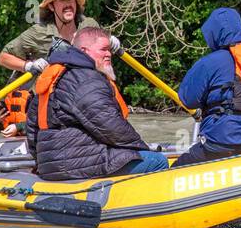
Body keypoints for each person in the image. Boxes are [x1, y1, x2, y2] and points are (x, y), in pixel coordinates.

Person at [25, 26, 167, 180]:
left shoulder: (55, 75)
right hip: (78, 163)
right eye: (103, 49)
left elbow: (32, 127)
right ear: (85, 51)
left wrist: (40, 162)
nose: (109, 54)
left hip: (51, 166)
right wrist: (143, 148)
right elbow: (110, 125)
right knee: (157, 161)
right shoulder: (86, 79)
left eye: (109, 50)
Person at [0, 0, 115, 137]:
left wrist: (111, 43)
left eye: (71, 0)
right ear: (51, 6)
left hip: (84, 95)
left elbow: (103, 54)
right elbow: (3, 57)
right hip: (54, 100)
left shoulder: (89, 25)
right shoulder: (39, 32)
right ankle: (24, 126)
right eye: (61, 1)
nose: (68, 5)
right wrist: (29, 66)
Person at [175, 8, 241, 167]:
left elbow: (187, 99)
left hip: (223, 145)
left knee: (177, 167)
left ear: (213, 34)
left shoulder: (211, 62)